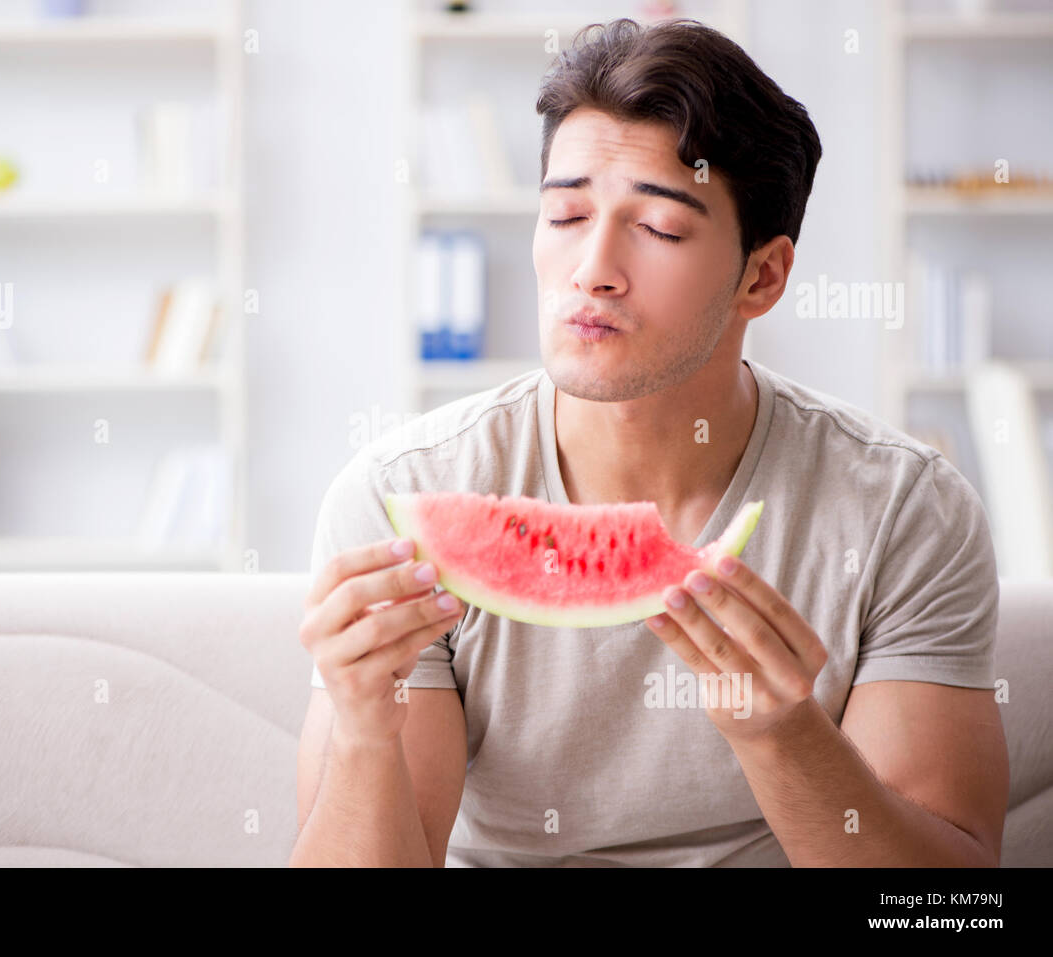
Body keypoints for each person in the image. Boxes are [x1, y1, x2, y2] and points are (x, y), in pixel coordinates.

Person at [290, 17, 1007, 867]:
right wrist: (367, 732)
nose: (592, 267)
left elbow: (938, 909)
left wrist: (783, 733)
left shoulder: (903, 509)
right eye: (565, 215)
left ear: (762, 276)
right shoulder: (399, 496)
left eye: (659, 230)